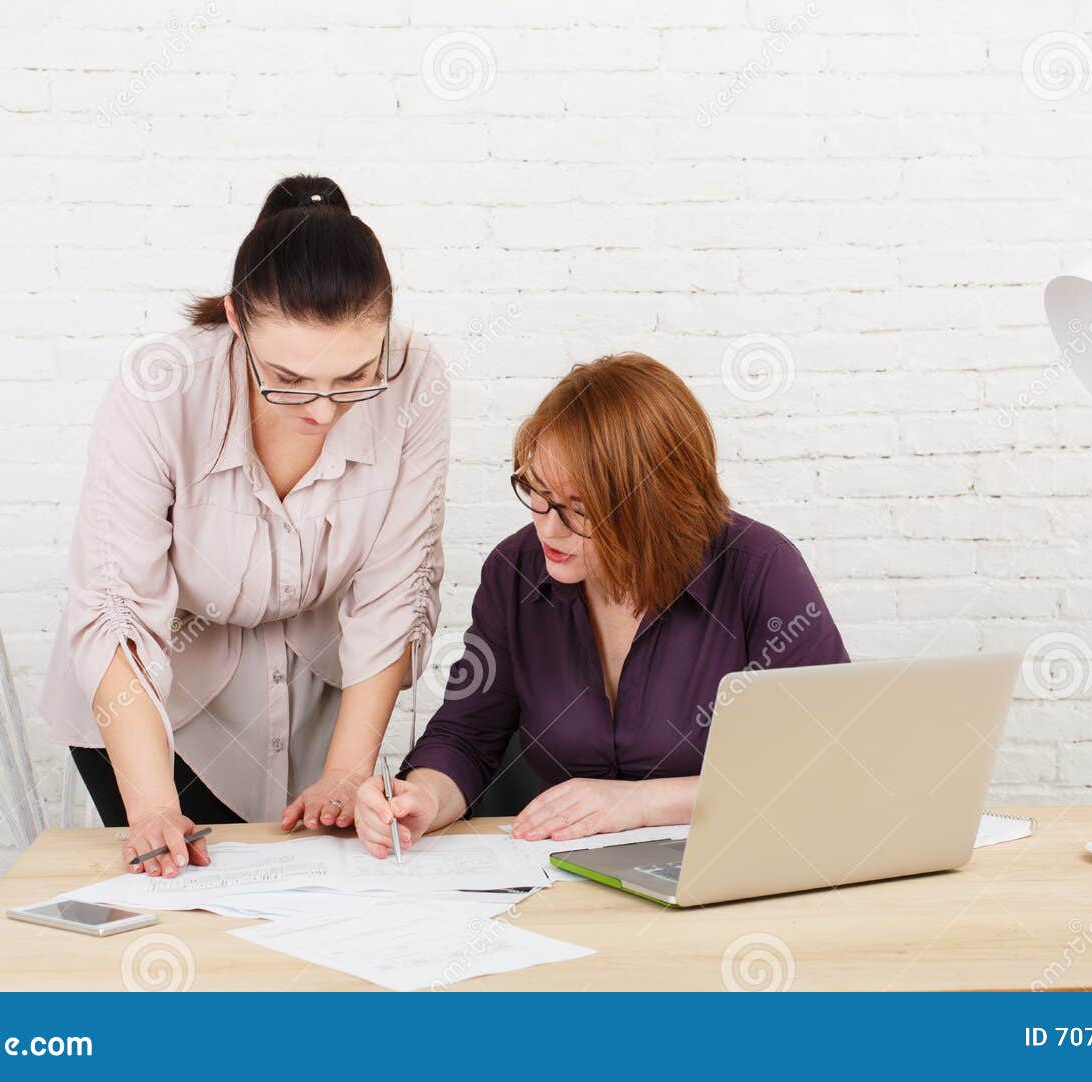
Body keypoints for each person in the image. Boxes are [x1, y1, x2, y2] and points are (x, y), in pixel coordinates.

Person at [41, 175, 449, 877]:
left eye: (353, 377)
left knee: (318, 917)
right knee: (192, 912)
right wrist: (150, 805)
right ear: (236, 320)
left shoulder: (415, 380)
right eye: (288, 378)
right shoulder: (159, 387)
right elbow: (117, 608)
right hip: (161, 711)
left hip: (323, 699)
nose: (323, 410)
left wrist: (349, 773)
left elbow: (396, 589)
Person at [352, 352, 847, 857]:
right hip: (564, 878)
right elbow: (466, 734)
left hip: (733, 866)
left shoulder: (759, 569)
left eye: (578, 510)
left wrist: (643, 803)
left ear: (657, 505)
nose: (547, 526)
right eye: (537, 492)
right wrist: (424, 798)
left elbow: (822, 759)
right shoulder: (515, 570)